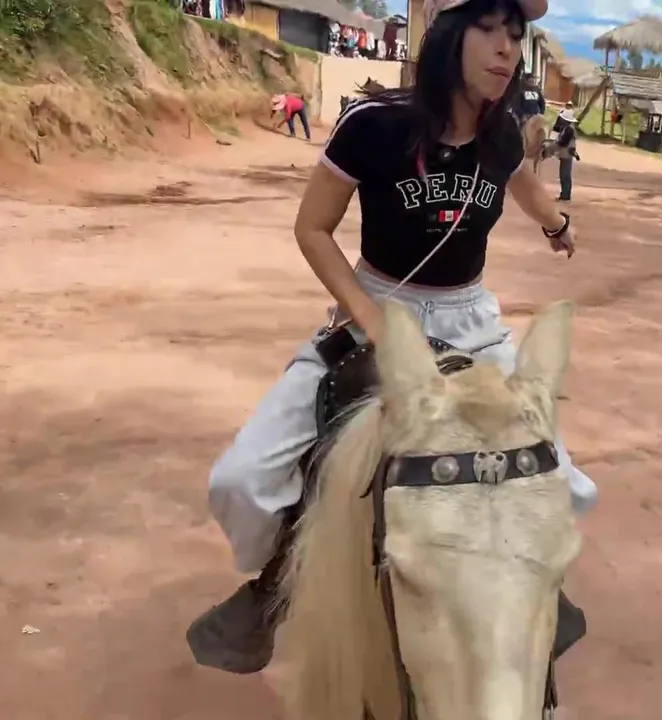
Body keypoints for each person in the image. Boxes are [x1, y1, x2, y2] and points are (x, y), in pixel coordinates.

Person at [186, 0, 597, 676]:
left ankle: (529, 587)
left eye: (515, 35)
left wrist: (555, 223)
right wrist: (368, 318)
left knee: (564, 481)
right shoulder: (373, 124)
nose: (505, 48)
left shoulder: (501, 134)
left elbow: (518, 180)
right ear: (451, 36)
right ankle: (278, 582)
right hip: (375, 304)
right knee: (242, 478)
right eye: (489, 29)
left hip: (469, 322)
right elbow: (312, 228)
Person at [554, 109, 579, 202]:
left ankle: (566, 194)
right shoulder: (566, 128)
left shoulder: (569, 130)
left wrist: (554, 145)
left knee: (565, 174)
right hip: (566, 153)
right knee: (564, 174)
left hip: (567, 153)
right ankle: (564, 193)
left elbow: (563, 142)